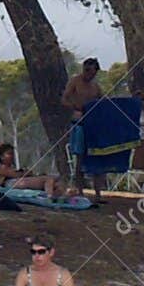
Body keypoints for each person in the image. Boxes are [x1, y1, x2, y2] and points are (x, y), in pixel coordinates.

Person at [61, 58, 103, 198]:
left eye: (90, 71)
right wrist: (74, 107)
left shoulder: (96, 87)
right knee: (79, 159)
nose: (87, 74)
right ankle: (80, 191)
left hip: (93, 125)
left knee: (96, 159)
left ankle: (98, 193)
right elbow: (64, 99)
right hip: (79, 123)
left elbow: (103, 101)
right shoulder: (75, 81)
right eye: (85, 70)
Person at [0, 143, 64, 200]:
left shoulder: (9, 168)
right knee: (48, 179)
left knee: (56, 184)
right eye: (9, 154)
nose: (12, 156)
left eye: (12, 154)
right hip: (12, 183)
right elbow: (15, 175)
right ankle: (49, 198)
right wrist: (26, 173)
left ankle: (61, 198)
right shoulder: (2, 168)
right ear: (2, 156)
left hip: (17, 181)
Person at [10, 237, 78, 286]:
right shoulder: (24, 274)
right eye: (33, 252)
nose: (37, 256)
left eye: (41, 252)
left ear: (51, 252)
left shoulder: (63, 274)